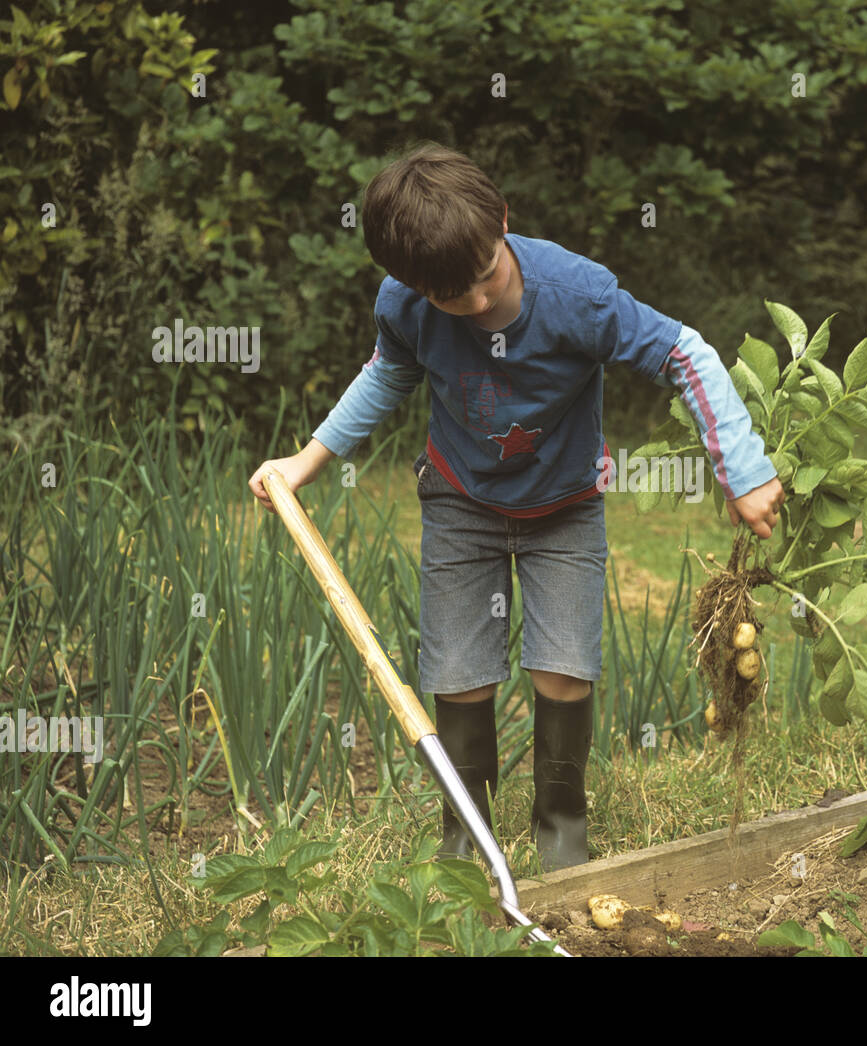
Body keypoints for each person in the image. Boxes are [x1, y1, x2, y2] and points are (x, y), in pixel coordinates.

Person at [249, 142, 785, 872]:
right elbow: (388, 373)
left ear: (502, 220)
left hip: (563, 506)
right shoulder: (406, 303)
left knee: (563, 665)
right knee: (458, 669)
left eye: (485, 278)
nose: (475, 304)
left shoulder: (578, 295)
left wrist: (743, 471)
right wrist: (305, 461)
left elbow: (684, 352)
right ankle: (466, 837)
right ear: (408, 282)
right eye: (450, 297)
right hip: (459, 500)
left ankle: (561, 826)